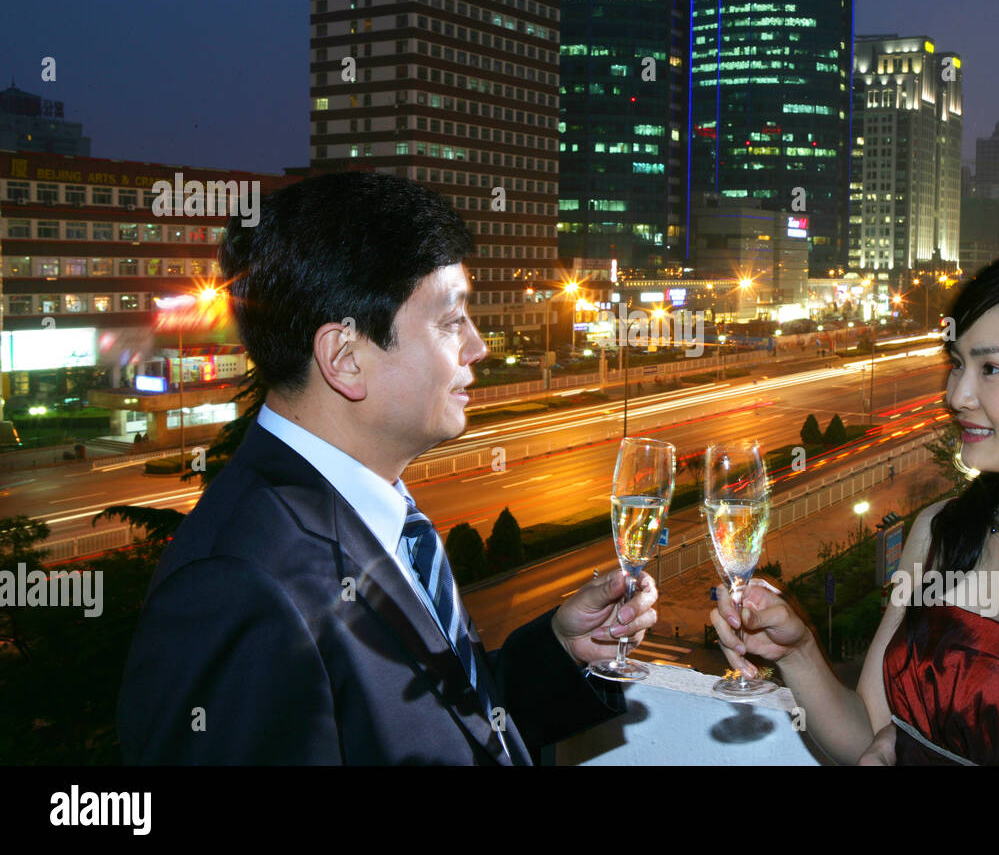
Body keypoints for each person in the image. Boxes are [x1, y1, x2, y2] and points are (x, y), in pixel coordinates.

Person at [117, 172, 656, 764]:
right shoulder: (237, 587)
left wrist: (560, 651)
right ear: (345, 358)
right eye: (453, 322)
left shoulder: (374, 513)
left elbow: (428, 725)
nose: (479, 347)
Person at [711, 240, 999, 765]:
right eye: (957, 364)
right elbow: (866, 736)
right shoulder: (941, 528)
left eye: (991, 369)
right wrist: (797, 650)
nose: (957, 395)